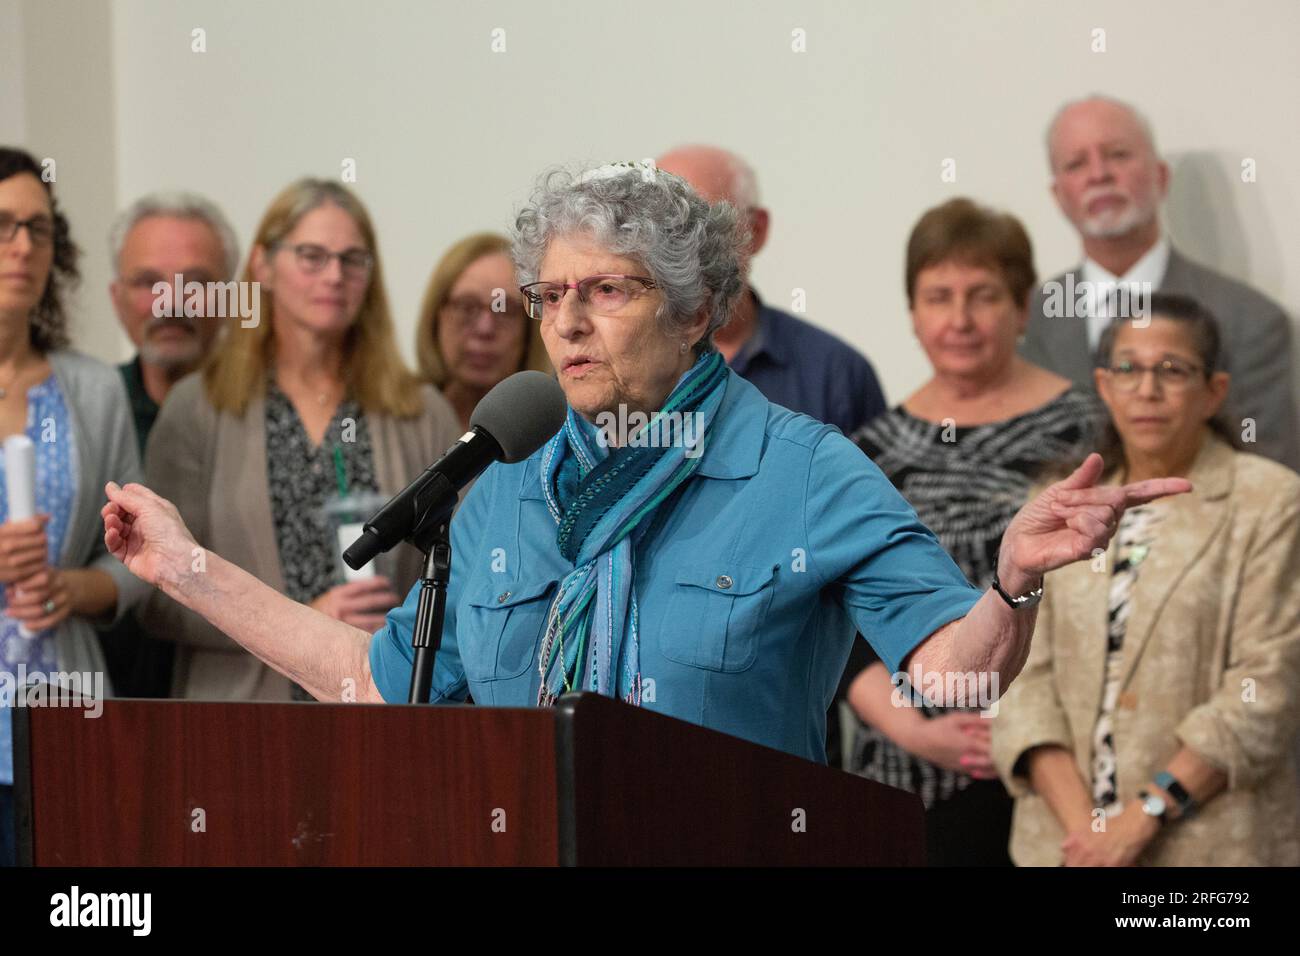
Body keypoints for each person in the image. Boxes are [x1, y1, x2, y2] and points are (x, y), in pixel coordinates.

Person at [102, 161, 1189, 767]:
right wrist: (187, 566)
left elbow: (953, 669)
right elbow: (369, 681)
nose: (567, 322)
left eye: (607, 290)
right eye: (551, 295)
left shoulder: (801, 466)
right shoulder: (506, 486)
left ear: (696, 313)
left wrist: (1010, 583)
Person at [993, 293, 1300, 866]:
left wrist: (1138, 822)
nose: (1148, 390)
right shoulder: (1058, 504)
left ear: (1214, 392)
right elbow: (1021, 677)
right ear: (1105, 386)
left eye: (1173, 370)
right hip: (1064, 846)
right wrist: (1089, 832)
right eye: (1129, 369)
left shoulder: (1270, 501)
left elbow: (1267, 688)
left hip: (1207, 848)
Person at [845, 198, 1102, 865]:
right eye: (938, 297)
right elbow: (840, 617)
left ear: (1022, 308)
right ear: (912, 313)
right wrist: (912, 729)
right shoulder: (868, 449)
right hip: (903, 770)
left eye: (983, 295)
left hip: (1062, 770)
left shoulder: (1091, 432)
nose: (959, 319)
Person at [139, 178, 461, 701]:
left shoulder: (420, 412)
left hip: (381, 705)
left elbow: (467, 572)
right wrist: (299, 621)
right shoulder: (199, 408)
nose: (334, 275)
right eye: (312, 256)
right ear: (263, 266)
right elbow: (156, 597)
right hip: (241, 717)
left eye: (352, 259)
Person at [0, 147, 148, 866]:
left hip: (64, 714)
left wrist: (68, 587)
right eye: (2, 225)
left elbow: (132, 560)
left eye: (38, 228)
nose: (23, 245)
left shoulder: (91, 391)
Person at [1020, 94, 1299, 472]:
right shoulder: (1027, 319)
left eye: (1118, 155)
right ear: (1058, 196)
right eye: (1076, 163)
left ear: (1161, 176)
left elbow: (1272, 481)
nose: (1099, 174)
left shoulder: (1250, 320)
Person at [100, 191, 238, 698]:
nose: (172, 301)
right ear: (116, 297)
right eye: (148, 282)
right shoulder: (87, 416)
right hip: (102, 708)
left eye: (197, 284)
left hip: (235, 706)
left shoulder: (275, 421)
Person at [656, 145, 886, 437]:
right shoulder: (615, 366)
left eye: (706, 227)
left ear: (756, 230)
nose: (681, 250)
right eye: (664, 230)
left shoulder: (836, 373)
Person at [414, 232, 552, 430]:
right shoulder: (395, 425)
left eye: (505, 310)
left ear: (529, 331)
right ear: (436, 317)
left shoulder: (556, 437)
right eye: (467, 307)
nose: (485, 328)